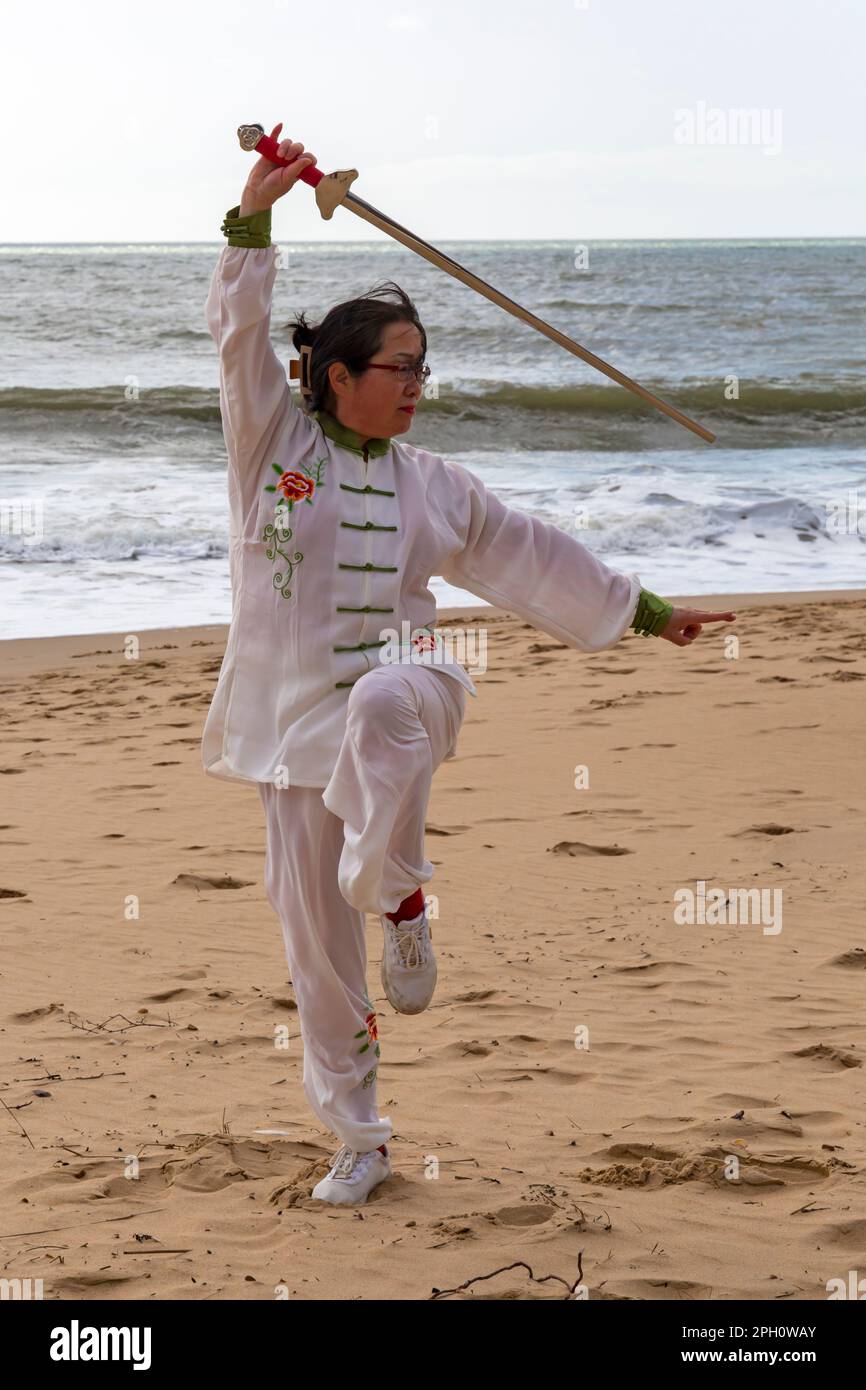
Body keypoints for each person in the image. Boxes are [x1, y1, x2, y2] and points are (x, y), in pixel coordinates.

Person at [202, 123, 736, 1206]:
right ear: (336, 375)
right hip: (285, 721)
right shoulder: (272, 447)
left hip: (407, 684)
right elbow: (237, 334)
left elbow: (528, 552)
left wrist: (645, 612)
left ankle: (394, 893)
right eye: (399, 368)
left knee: (390, 699)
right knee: (316, 959)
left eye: (422, 369)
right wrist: (252, 216)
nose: (415, 385)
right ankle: (359, 1137)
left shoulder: (434, 481)